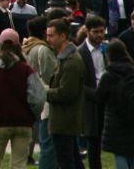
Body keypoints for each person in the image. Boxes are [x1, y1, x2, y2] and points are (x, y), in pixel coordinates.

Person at [0, 28, 46, 169]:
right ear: (18, 46)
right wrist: (31, 117)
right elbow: (37, 98)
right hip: (23, 123)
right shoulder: (26, 69)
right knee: (19, 164)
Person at [96, 40, 134, 169]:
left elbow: (99, 97)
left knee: (120, 154)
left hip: (116, 119)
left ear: (109, 55)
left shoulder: (109, 76)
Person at [46, 17, 86, 169]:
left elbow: (66, 93)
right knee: (73, 159)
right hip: (63, 120)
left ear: (63, 36)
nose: (48, 39)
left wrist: (45, 92)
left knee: (66, 161)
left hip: (65, 120)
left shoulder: (71, 62)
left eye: (51, 35)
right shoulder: (64, 58)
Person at [22, 16, 57, 169]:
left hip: (30, 94)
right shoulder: (43, 49)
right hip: (43, 98)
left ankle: (27, 156)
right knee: (47, 141)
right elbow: (51, 76)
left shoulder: (27, 47)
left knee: (35, 132)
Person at [78, 15, 107, 169]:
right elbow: (78, 83)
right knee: (93, 141)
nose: (100, 35)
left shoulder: (106, 49)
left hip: (106, 97)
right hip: (90, 100)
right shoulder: (80, 53)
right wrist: (94, 93)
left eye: (102, 31)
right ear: (88, 32)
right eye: (96, 32)